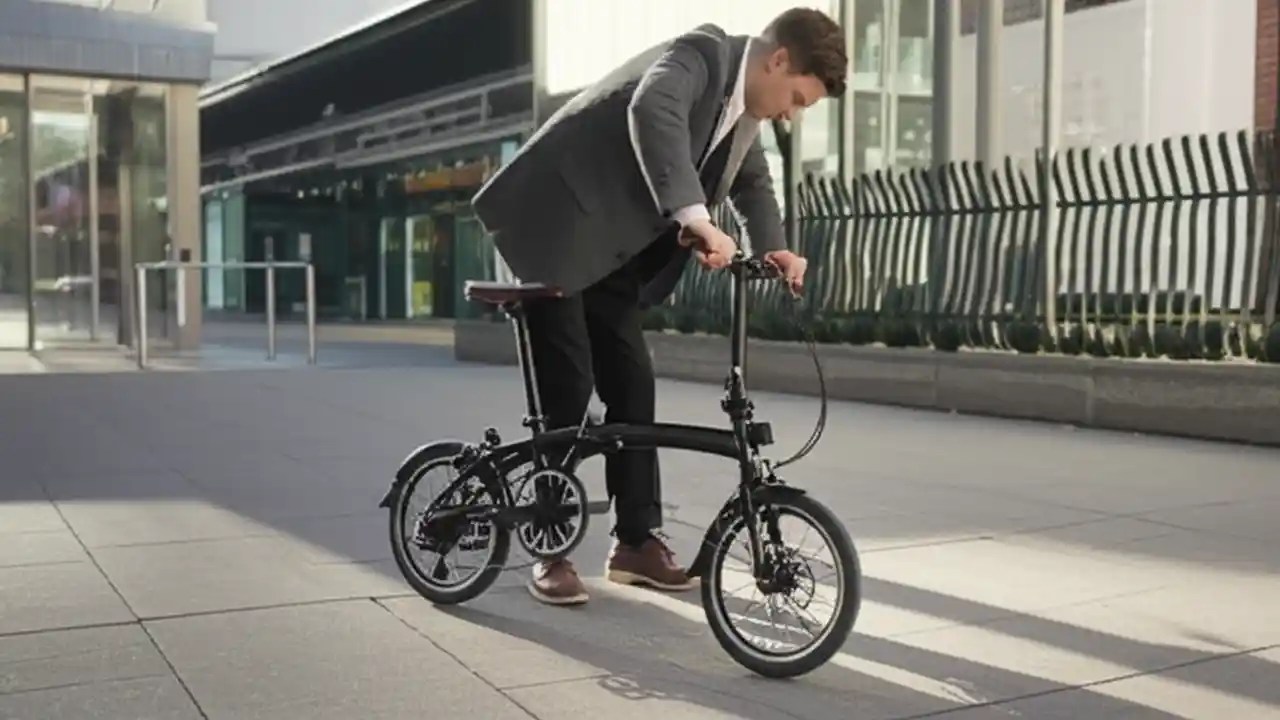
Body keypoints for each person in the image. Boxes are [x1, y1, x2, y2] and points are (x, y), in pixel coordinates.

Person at [470, 7, 848, 606]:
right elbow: (654, 111)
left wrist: (773, 249)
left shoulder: (742, 114)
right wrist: (696, 220)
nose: (791, 115)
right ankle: (549, 547)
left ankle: (636, 544)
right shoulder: (701, 55)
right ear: (778, 61)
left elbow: (752, 184)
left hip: (612, 254)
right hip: (559, 226)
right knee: (568, 391)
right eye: (797, 98)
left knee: (633, 388)